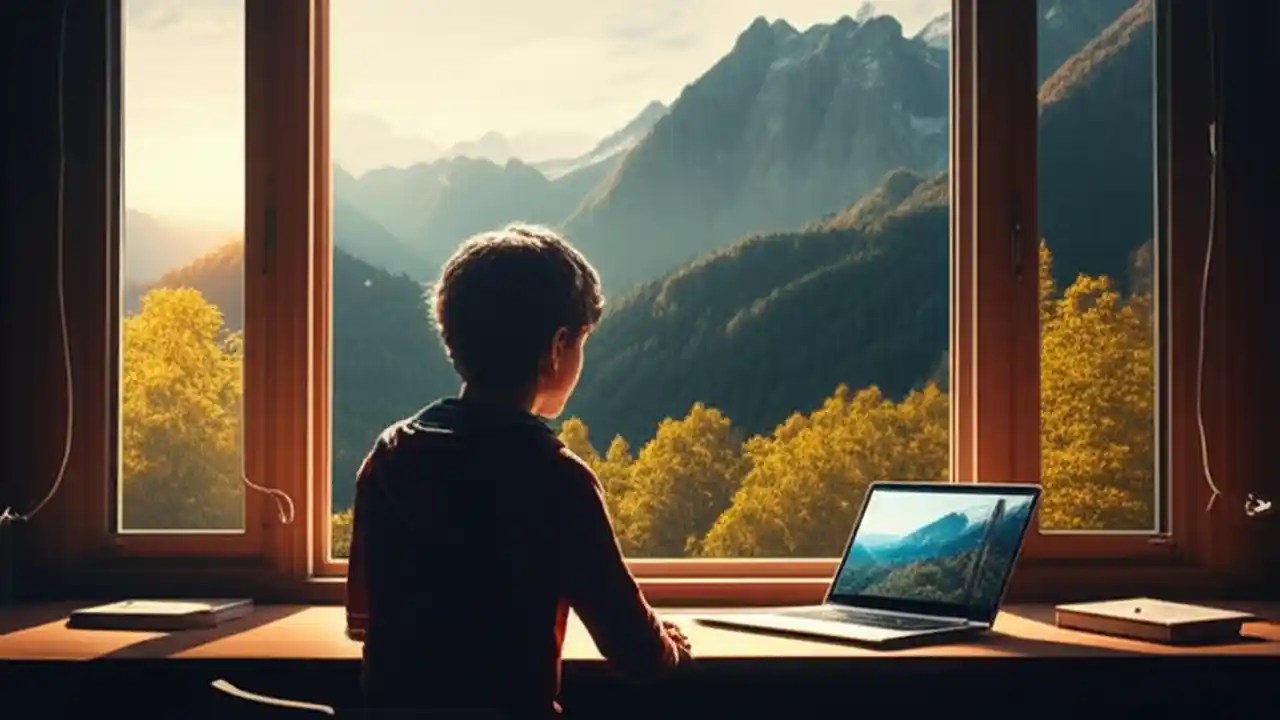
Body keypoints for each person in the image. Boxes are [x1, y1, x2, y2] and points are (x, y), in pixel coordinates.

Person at [346, 224, 691, 718]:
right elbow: (638, 654)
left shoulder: (390, 456)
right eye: (581, 342)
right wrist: (671, 645)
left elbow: (367, 623)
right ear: (556, 348)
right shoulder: (555, 479)